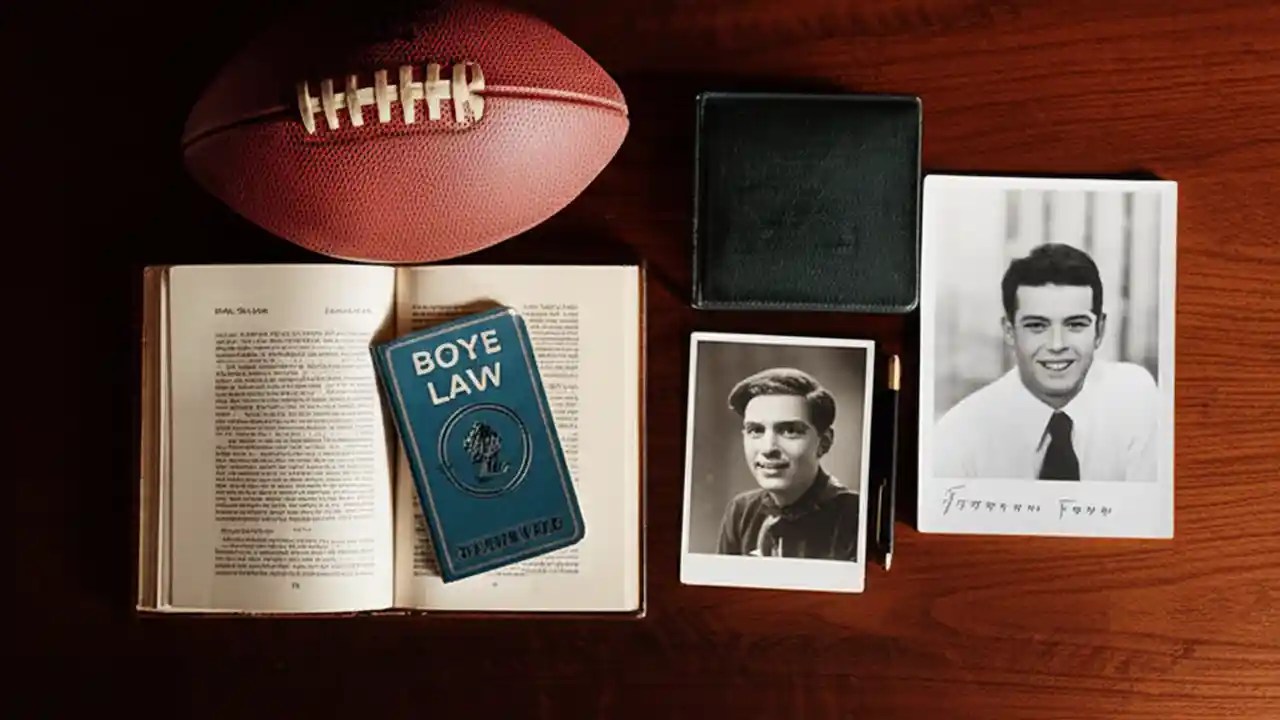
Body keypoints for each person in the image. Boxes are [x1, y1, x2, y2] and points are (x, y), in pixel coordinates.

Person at [934, 243, 1159, 482]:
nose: (1056, 345)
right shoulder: (959, 435)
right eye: (1036, 326)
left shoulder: (1135, 396)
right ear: (1010, 332)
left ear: (1100, 330)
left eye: (1075, 324)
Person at [716, 367, 860, 560]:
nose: (768, 448)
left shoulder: (857, 516)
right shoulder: (741, 512)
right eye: (756, 430)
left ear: (824, 442)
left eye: (790, 430)